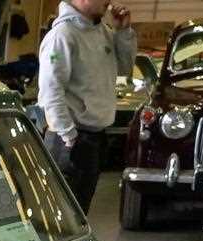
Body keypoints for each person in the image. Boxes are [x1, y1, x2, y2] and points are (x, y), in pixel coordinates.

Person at [37, 0, 135, 214]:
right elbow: (50, 91)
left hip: (94, 138)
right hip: (70, 142)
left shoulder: (104, 33)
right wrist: (68, 136)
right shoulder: (62, 36)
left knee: (79, 213)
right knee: (63, 217)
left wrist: (123, 32)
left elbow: (125, 70)